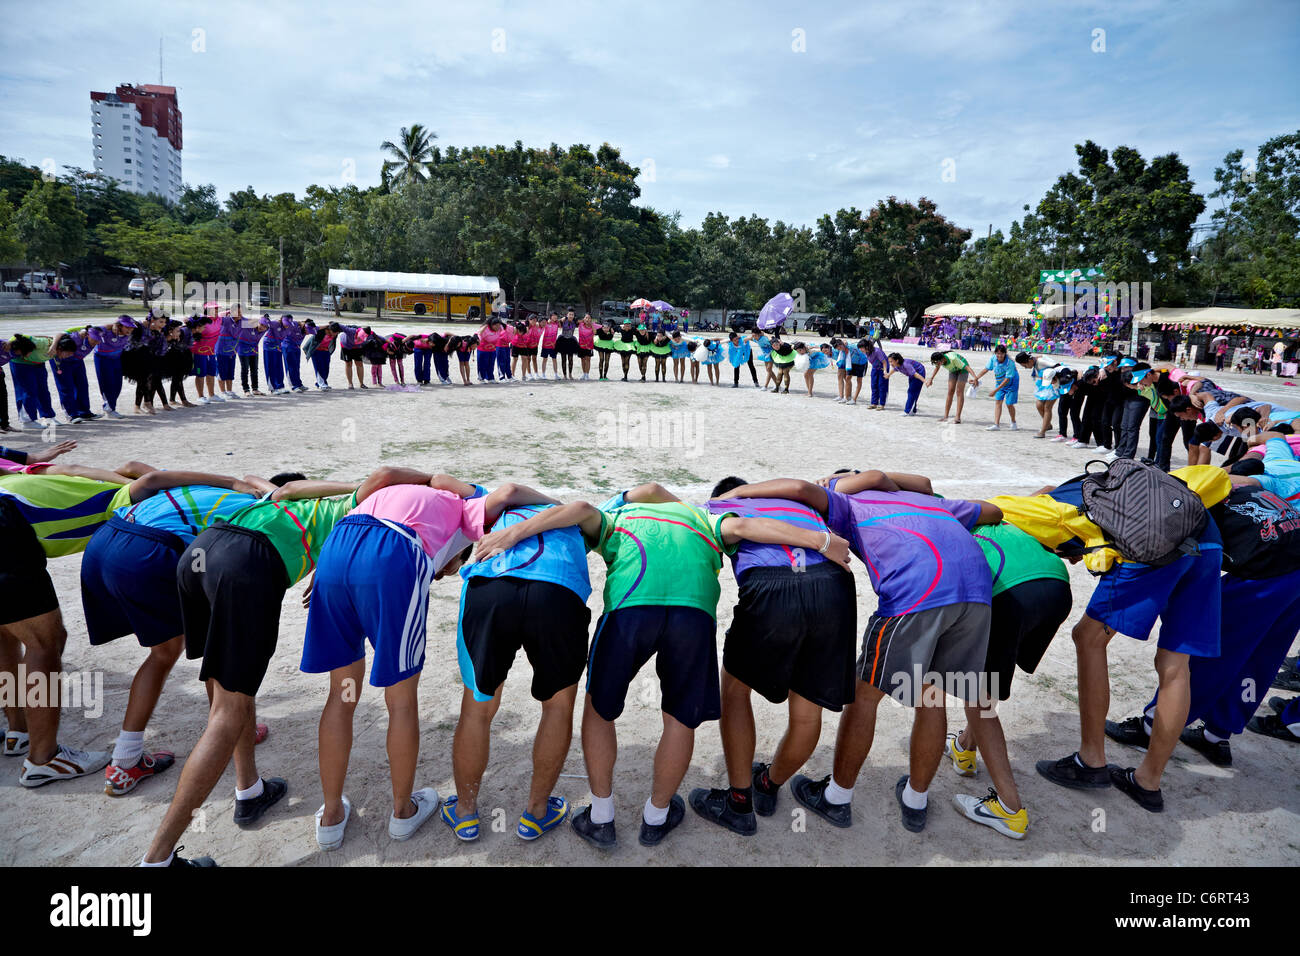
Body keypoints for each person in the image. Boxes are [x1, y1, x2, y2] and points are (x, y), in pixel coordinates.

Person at [470, 483, 852, 850]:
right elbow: (749, 526)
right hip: (693, 616)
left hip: (631, 607)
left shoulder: (618, 516)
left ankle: (601, 816)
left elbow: (583, 509)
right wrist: (820, 541)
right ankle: (657, 815)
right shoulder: (702, 517)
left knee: (600, 710)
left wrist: (515, 531)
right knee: (679, 719)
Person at [138, 465, 439, 867]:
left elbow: (285, 492)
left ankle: (249, 790)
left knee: (227, 690)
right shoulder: (343, 505)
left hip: (202, 552)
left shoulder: (269, 504)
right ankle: (156, 860)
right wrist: (382, 485)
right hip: (246, 564)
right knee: (226, 714)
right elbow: (375, 477)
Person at [715, 470, 1001, 833]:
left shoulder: (846, 501)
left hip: (919, 590)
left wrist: (838, 483)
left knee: (865, 696)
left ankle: (835, 797)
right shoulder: (931, 503)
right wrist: (902, 490)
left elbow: (808, 488)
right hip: (977, 591)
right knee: (932, 696)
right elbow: (990, 510)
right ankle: (915, 800)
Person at [305, 474, 557, 849]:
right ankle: (402, 811)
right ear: (460, 552)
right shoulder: (464, 511)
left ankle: (330, 816)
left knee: (341, 696)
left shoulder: (409, 492)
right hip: (391, 554)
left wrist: (333, 570)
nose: (440, 575)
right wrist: (555, 504)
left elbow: (398, 476)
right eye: (447, 570)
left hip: (337, 550)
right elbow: (508, 492)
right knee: (402, 702)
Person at [1, 461, 258, 791]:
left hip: (38, 528)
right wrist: (233, 481)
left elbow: (88, 466)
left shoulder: (68, 480)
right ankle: (43, 758)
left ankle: (17, 730)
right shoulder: (120, 494)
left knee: (7, 633)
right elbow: (149, 476)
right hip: (6, 529)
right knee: (42, 645)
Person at [991, 466, 1227, 813]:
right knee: (1175, 664)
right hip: (1205, 537)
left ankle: (1091, 760)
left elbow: (989, 508)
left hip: (1150, 547)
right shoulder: (1110, 488)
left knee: (1088, 638)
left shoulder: (1047, 511)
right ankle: (1148, 782)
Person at [80, 471, 275, 795]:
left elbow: (152, 476)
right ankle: (228, 730)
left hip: (104, 541)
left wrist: (235, 481)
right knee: (221, 643)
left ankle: (126, 759)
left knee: (163, 652)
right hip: (146, 552)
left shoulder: (212, 488)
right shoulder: (260, 512)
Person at [688, 476, 858, 836]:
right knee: (808, 707)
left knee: (735, 692)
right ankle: (768, 785)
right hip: (833, 583)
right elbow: (799, 489)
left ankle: (738, 804)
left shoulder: (716, 508)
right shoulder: (798, 505)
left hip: (773, 585)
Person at [440, 494, 593, 843]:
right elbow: (585, 508)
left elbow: (496, 489)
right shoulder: (571, 516)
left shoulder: (493, 509)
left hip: (491, 588)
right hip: (557, 592)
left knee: (477, 709)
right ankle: (536, 813)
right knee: (557, 708)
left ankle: (465, 812)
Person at [944, 522, 1072, 838]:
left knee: (976, 694)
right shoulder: (985, 512)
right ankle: (965, 748)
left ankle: (1009, 809)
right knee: (989, 681)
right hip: (1056, 585)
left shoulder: (936, 529)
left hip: (1012, 596)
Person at [87, 316, 137, 418]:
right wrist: (111, 325)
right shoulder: (108, 331)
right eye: (127, 327)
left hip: (116, 360)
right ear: (119, 325)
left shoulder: (128, 334)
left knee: (117, 385)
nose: (130, 330)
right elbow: (93, 330)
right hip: (102, 359)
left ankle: (110, 407)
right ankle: (109, 408)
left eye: (131, 328)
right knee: (107, 383)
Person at [7, 334, 60, 427]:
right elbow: (20, 336)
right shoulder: (40, 343)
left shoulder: (52, 346)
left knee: (43, 390)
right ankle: (27, 421)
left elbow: (54, 336)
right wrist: (9, 342)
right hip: (21, 363)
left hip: (38, 363)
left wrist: (54, 343)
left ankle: (48, 417)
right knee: (28, 391)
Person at [49, 330, 97, 424]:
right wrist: (54, 346)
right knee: (66, 387)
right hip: (61, 358)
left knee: (82, 385)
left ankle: (84, 412)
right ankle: (71, 415)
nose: (97, 342)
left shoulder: (96, 331)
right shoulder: (78, 335)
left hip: (76, 359)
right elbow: (59, 333)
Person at [970, 344, 1019, 431]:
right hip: (1000, 382)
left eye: (1002, 354)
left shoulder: (1010, 363)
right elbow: (986, 369)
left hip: (1011, 383)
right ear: (995, 353)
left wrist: (995, 390)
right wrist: (976, 378)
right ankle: (996, 424)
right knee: (998, 402)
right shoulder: (993, 359)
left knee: (1009, 404)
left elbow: (1007, 379)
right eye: (997, 353)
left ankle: (1013, 422)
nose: (999, 356)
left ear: (1005, 353)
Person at [1015, 352, 1064, 439]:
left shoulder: (1040, 361)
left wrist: (1054, 378)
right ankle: (1048, 424)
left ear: (1029, 360)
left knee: (1047, 407)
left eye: (1025, 365)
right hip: (1044, 384)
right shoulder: (1035, 361)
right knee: (1039, 405)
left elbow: (1057, 365)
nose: (1026, 368)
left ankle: (1042, 431)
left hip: (1053, 384)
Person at [925, 350, 972, 424]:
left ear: (942, 359)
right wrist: (931, 379)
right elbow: (937, 368)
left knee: (959, 392)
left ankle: (958, 417)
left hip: (963, 369)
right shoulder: (941, 360)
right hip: (953, 369)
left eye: (936, 362)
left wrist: (975, 378)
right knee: (950, 391)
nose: (936, 364)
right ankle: (945, 416)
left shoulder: (952, 358)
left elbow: (966, 367)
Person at [329, 321, 368, 389]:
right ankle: (350, 383)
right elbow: (339, 325)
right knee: (348, 364)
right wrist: (332, 324)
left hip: (357, 347)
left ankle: (361, 383)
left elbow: (376, 337)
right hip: (346, 345)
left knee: (359, 364)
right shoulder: (351, 331)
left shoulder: (366, 336)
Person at [279, 315, 307, 392]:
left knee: (296, 366)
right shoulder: (292, 325)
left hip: (297, 348)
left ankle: (298, 383)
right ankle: (293, 385)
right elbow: (285, 324)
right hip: (288, 347)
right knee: (290, 366)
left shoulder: (302, 327)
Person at [866, 340, 890, 410]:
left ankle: (882, 404)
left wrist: (885, 371)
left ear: (867, 347)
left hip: (883, 368)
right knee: (873, 385)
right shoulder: (866, 352)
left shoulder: (877, 351)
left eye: (861, 348)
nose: (861, 349)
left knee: (881, 386)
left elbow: (884, 362)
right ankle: (874, 403)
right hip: (875, 368)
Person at [540, 313, 560, 380]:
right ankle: (543, 374)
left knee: (554, 360)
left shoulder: (557, 323)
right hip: (545, 345)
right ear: (550, 317)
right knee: (544, 359)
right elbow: (540, 324)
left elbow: (562, 322)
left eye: (556, 316)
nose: (555, 317)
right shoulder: (546, 323)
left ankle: (556, 375)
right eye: (553, 316)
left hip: (553, 345)